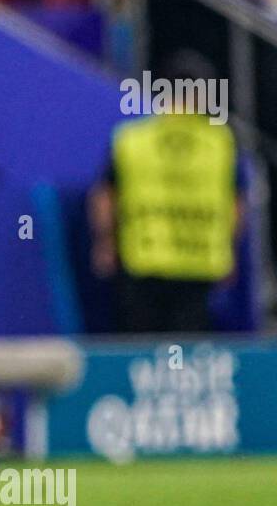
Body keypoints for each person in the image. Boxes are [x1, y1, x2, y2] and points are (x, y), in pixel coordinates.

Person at [89, 56, 245, 333]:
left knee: (142, 354)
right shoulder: (220, 141)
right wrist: (230, 250)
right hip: (198, 260)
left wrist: (106, 242)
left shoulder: (131, 138)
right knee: (188, 357)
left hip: (143, 257)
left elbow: (105, 195)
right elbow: (236, 203)